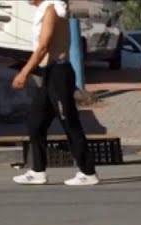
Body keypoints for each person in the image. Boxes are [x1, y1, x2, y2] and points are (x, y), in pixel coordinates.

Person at [10, 0, 98, 186]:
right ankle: (38, 171)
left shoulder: (51, 11)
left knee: (69, 123)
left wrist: (24, 73)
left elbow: (43, 46)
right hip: (49, 74)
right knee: (36, 122)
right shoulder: (47, 10)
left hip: (59, 75)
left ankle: (88, 172)